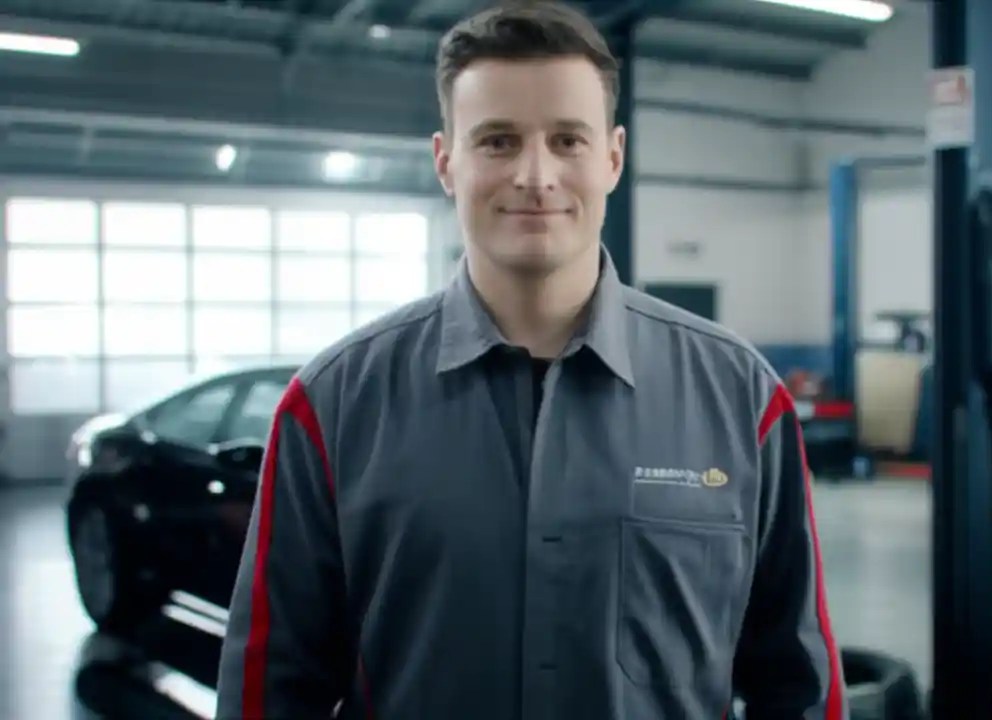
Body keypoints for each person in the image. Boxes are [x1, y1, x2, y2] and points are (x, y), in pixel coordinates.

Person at [214, 1, 845, 718]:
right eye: (498, 141)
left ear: (613, 158)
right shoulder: (334, 404)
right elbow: (270, 689)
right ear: (446, 162)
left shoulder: (740, 398)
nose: (535, 174)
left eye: (568, 140)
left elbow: (799, 685)